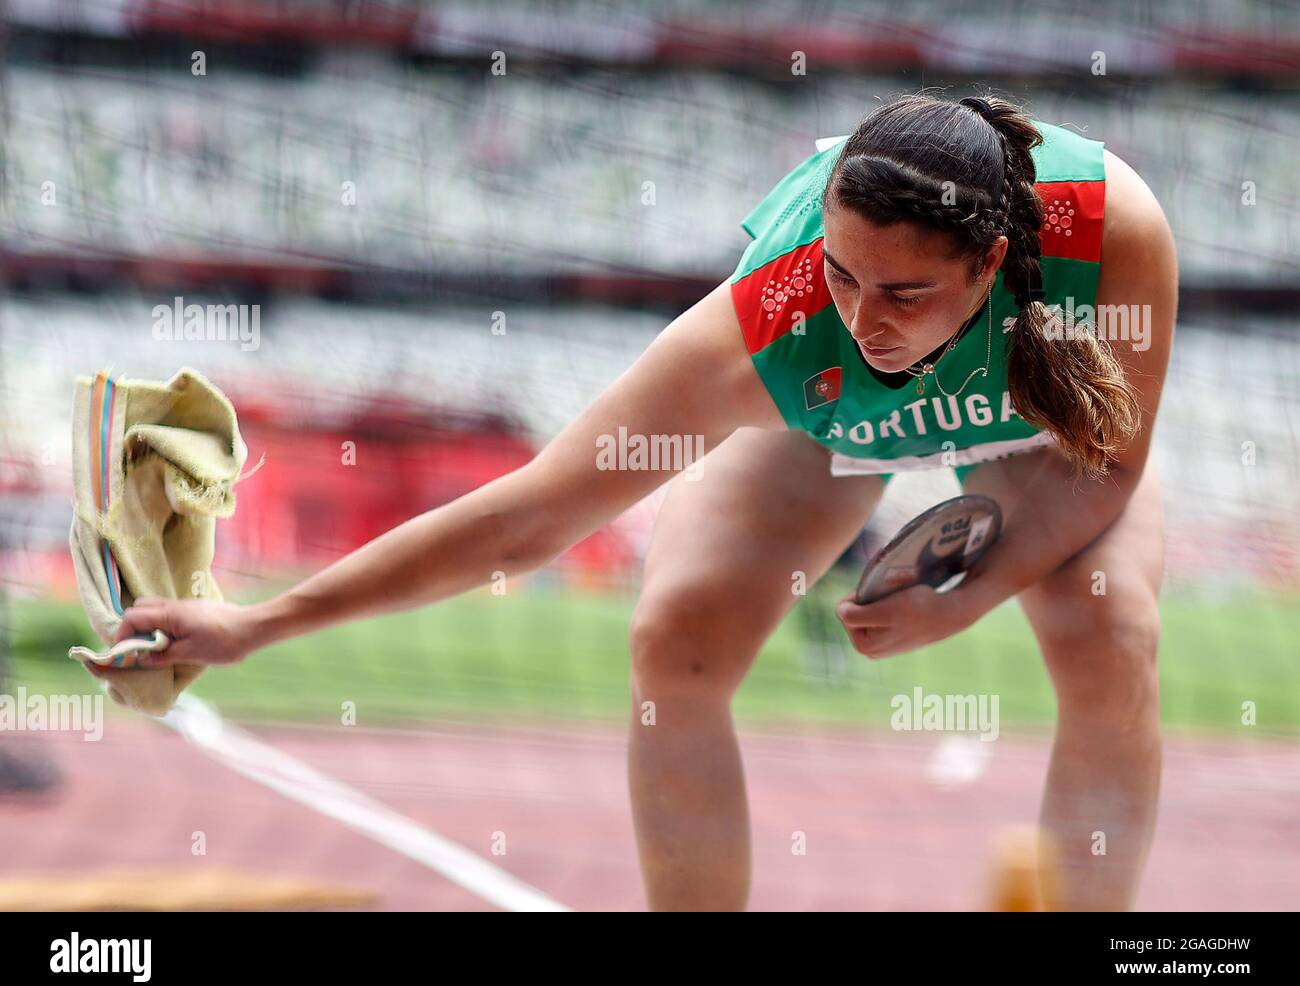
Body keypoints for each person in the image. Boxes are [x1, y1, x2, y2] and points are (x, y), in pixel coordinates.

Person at [102, 93, 1177, 911]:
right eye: (844, 275)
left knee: (1108, 627)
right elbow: (528, 519)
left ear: (991, 262)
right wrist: (260, 623)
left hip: (1033, 419)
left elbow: (1108, 468)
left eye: (902, 292)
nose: (861, 317)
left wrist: (959, 600)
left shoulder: (1111, 232)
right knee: (677, 639)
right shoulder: (775, 323)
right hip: (823, 427)